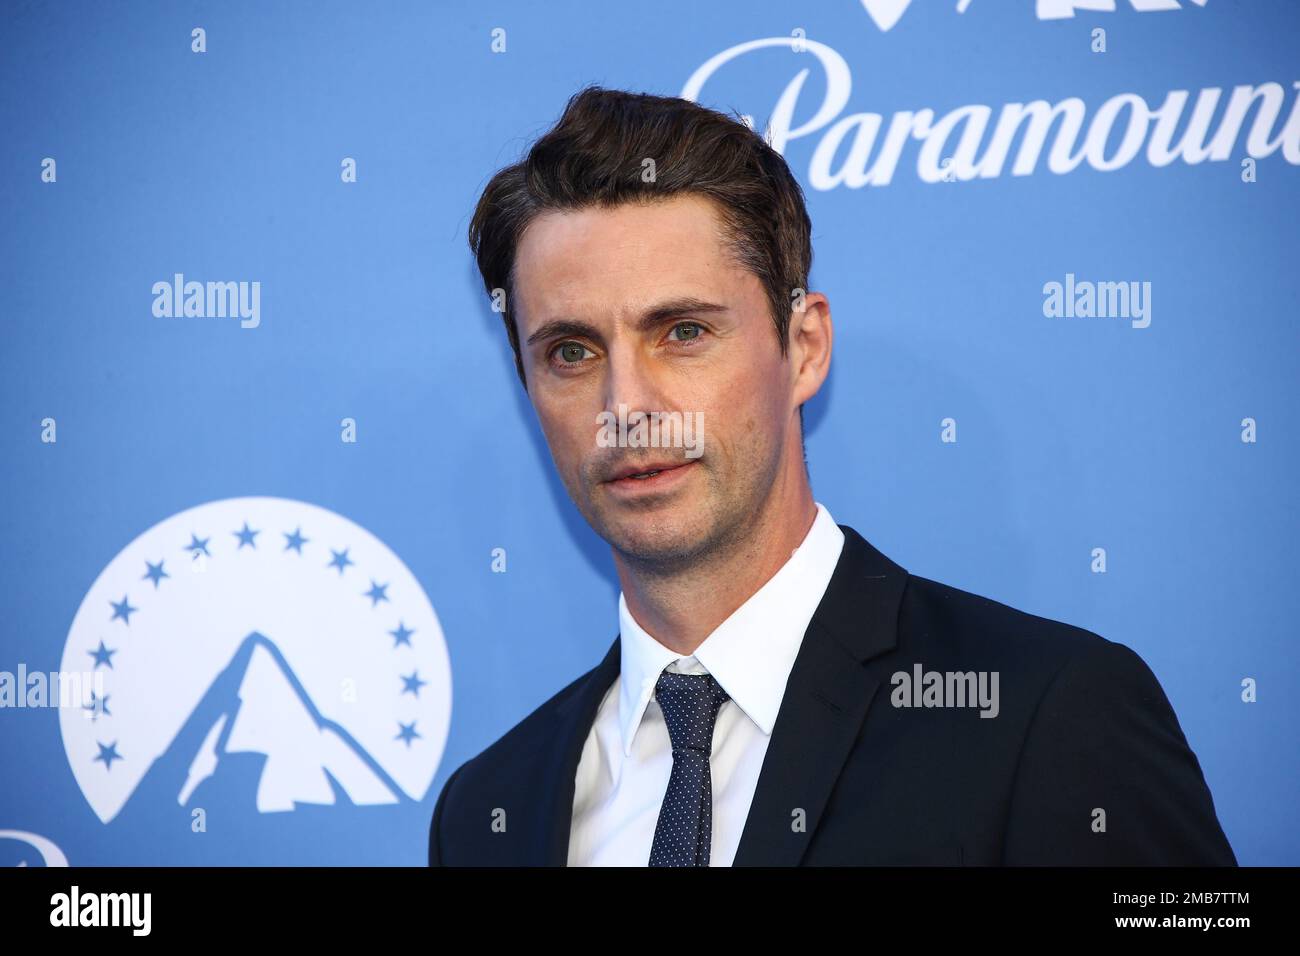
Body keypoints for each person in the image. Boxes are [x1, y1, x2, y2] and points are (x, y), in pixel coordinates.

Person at [428, 85, 1236, 866]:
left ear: (804, 347)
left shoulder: (1047, 716)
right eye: (572, 352)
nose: (628, 406)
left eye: (682, 331)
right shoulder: (489, 810)